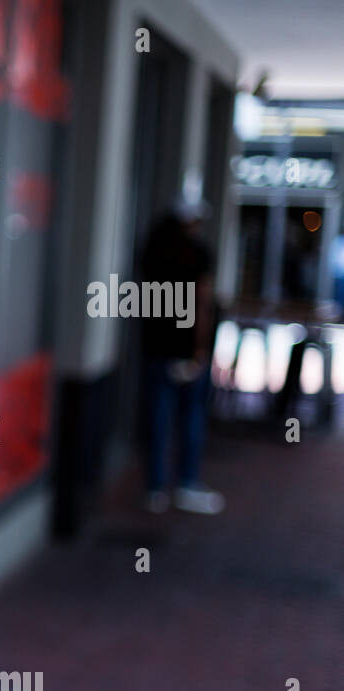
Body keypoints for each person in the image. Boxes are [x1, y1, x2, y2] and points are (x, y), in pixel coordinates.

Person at [138, 203, 225, 515]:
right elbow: (202, 304)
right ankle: (186, 483)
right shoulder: (196, 254)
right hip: (185, 350)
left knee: (159, 418)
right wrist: (200, 348)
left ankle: (155, 488)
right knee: (190, 417)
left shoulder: (153, 250)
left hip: (156, 348)